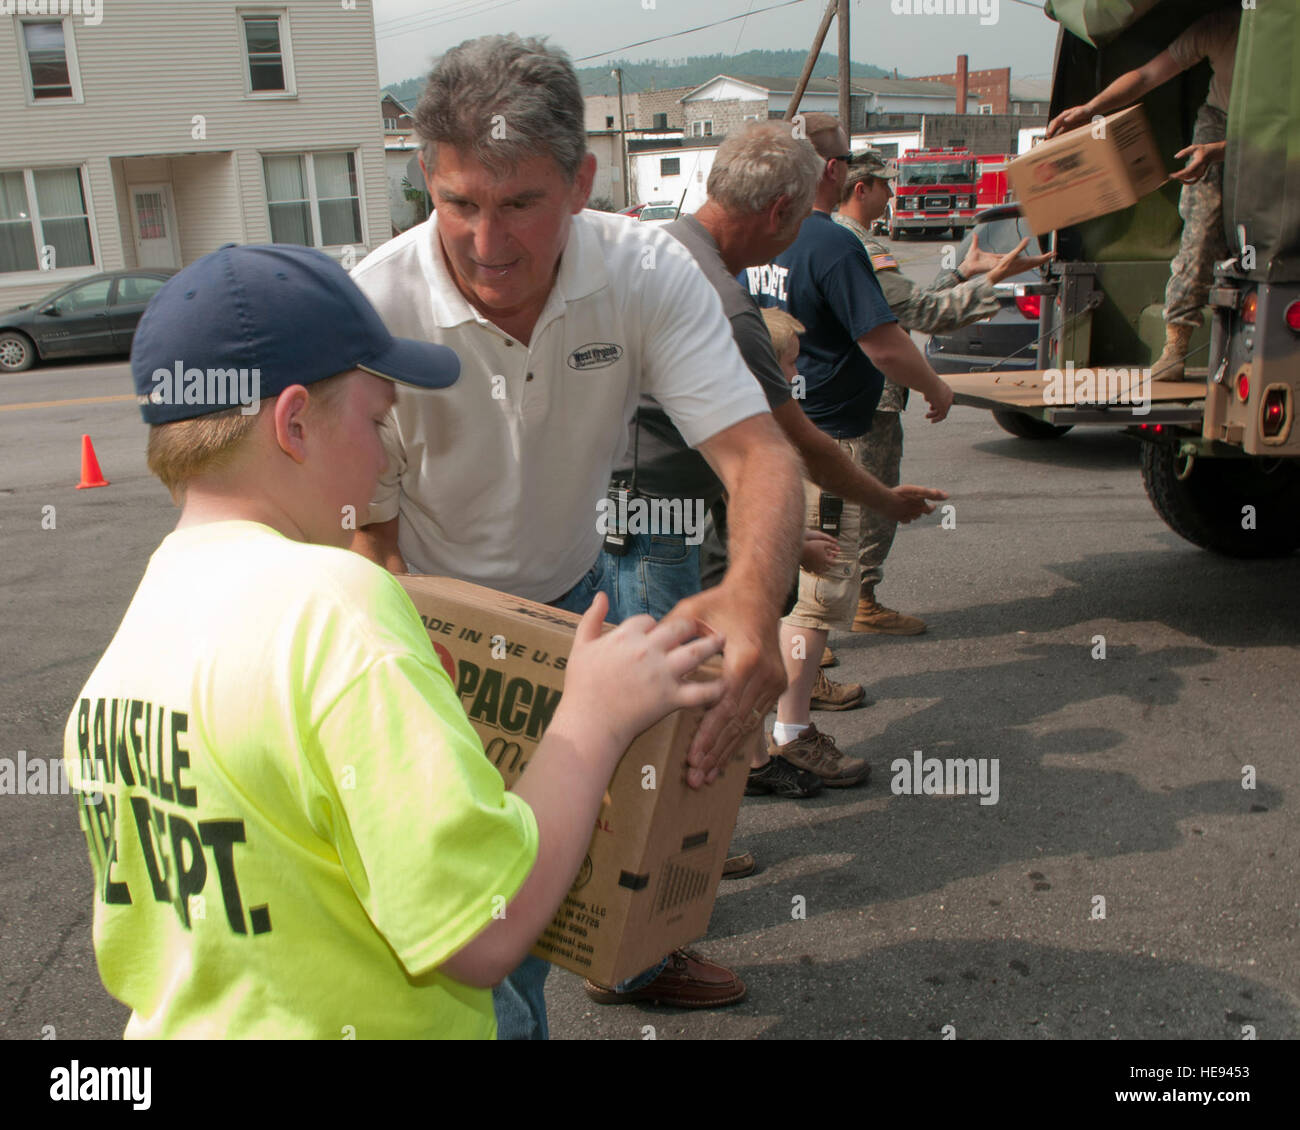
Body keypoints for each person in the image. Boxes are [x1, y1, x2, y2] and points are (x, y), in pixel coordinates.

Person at [61, 243, 725, 1039]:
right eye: (377, 419)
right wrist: (593, 717)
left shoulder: (141, 626)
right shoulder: (335, 604)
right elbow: (483, 931)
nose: (383, 457)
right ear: (294, 422)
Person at [348, 35, 805, 1032]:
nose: (486, 240)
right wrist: (402, 641)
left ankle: (626, 952)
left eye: (520, 204)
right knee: (476, 915)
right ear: (426, 176)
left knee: (583, 845)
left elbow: (759, 456)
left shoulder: (642, 271)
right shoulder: (376, 304)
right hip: (425, 614)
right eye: (459, 202)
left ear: (582, 179)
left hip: (569, 602)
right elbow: (363, 530)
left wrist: (750, 601)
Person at [609, 122, 948, 797]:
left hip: (625, 514)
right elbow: (798, 447)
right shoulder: (728, 311)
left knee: (648, 692)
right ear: (778, 213)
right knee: (678, 704)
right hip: (661, 532)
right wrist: (886, 500)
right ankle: (677, 857)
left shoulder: (655, 245)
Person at [743, 112, 956, 784]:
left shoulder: (758, 235)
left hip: (771, 429)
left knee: (782, 586)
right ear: (831, 171)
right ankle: (792, 733)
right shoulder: (832, 243)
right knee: (819, 592)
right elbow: (883, 341)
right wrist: (935, 386)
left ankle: (790, 696)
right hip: (831, 436)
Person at [835, 150, 1053, 636]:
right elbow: (919, 315)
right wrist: (994, 281)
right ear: (861, 188)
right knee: (867, 504)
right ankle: (852, 606)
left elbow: (902, 305)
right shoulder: (860, 246)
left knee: (832, 506)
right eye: (885, 185)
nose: (893, 194)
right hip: (870, 399)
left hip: (835, 397)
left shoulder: (834, 240)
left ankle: (826, 614)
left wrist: (962, 272)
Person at [1046, 3, 1242, 381]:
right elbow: (1147, 76)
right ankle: (1176, 345)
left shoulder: (1283, 43)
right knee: (1200, 226)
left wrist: (1223, 151)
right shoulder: (1220, 27)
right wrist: (1090, 109)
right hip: (1220, 122)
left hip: (1277, 137)